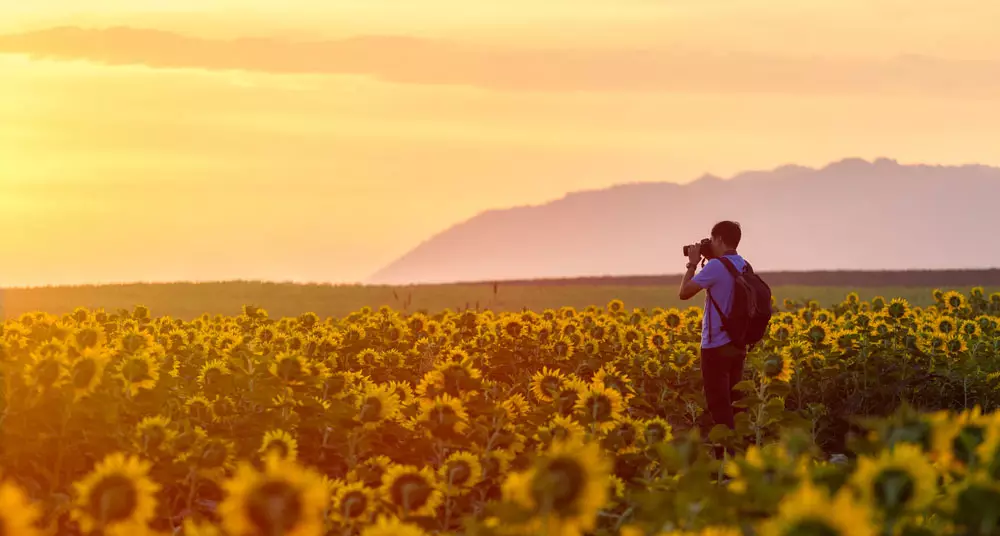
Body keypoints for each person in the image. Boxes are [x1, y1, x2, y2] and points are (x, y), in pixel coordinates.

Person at [677, 221, 747, 455]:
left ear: (718, 240)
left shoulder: (716, 266)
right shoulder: (744, 265)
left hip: (715, 345)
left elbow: (684, 293)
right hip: (737, 343)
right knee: (735, 402)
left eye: (711, 239)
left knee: (719, 405)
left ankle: (726, 460)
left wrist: (692, 264)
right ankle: (740, 456)